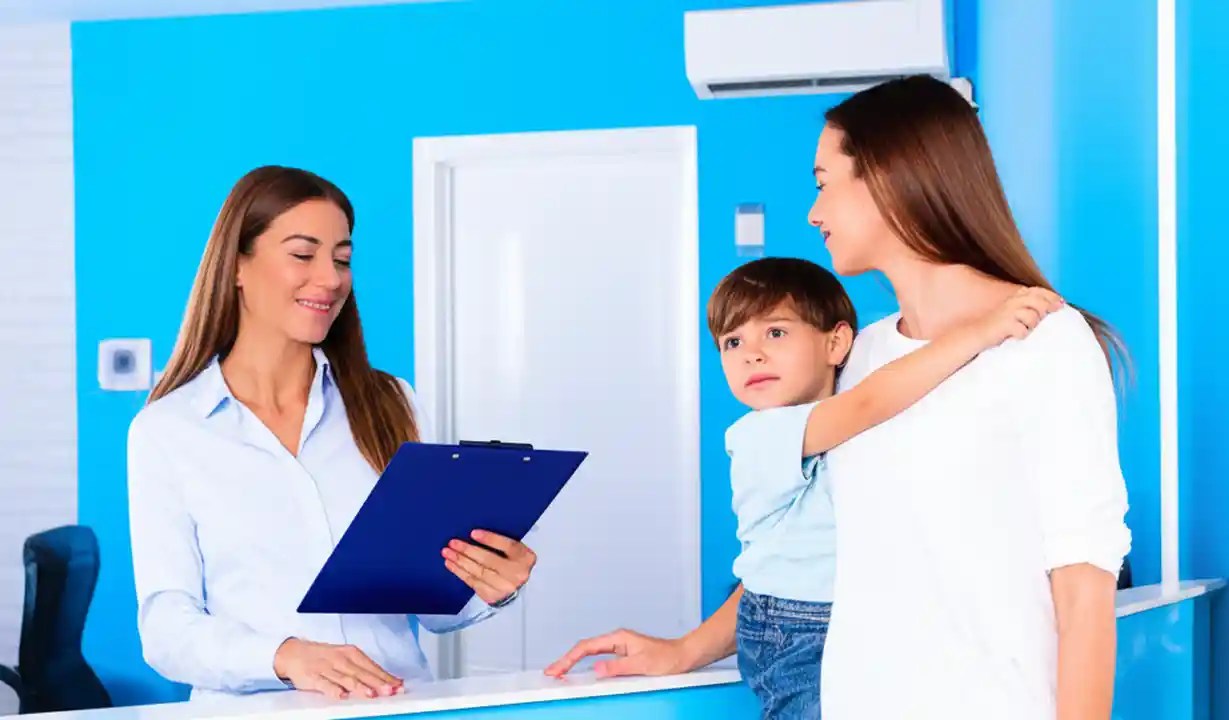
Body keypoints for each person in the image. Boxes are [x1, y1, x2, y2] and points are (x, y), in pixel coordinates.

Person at [548, 75, 1131, 720]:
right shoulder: (862, 360)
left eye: (824, 182)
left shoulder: (1045, 343)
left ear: (890, 176)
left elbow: (1084, 593)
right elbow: (808, 546)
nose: (812, 211)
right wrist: (688, 649)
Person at [547, 256, 1061, 719]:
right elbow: (869, 404)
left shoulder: (844, 421)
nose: (751, 354)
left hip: (843, 616)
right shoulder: (759, 435)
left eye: (774, 333)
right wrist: (981, 331)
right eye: (732, 342)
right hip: (799, 634)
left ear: (835, 343)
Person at [127, 166, 537, 702]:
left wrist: (491, 585)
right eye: (303, 254)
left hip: (396, 708)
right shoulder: (169, 431)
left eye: (342, 259)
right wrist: (286, 656)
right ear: (236, 266)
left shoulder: (392, 403)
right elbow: (166, 630)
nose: (330, 278)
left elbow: (435, 608)